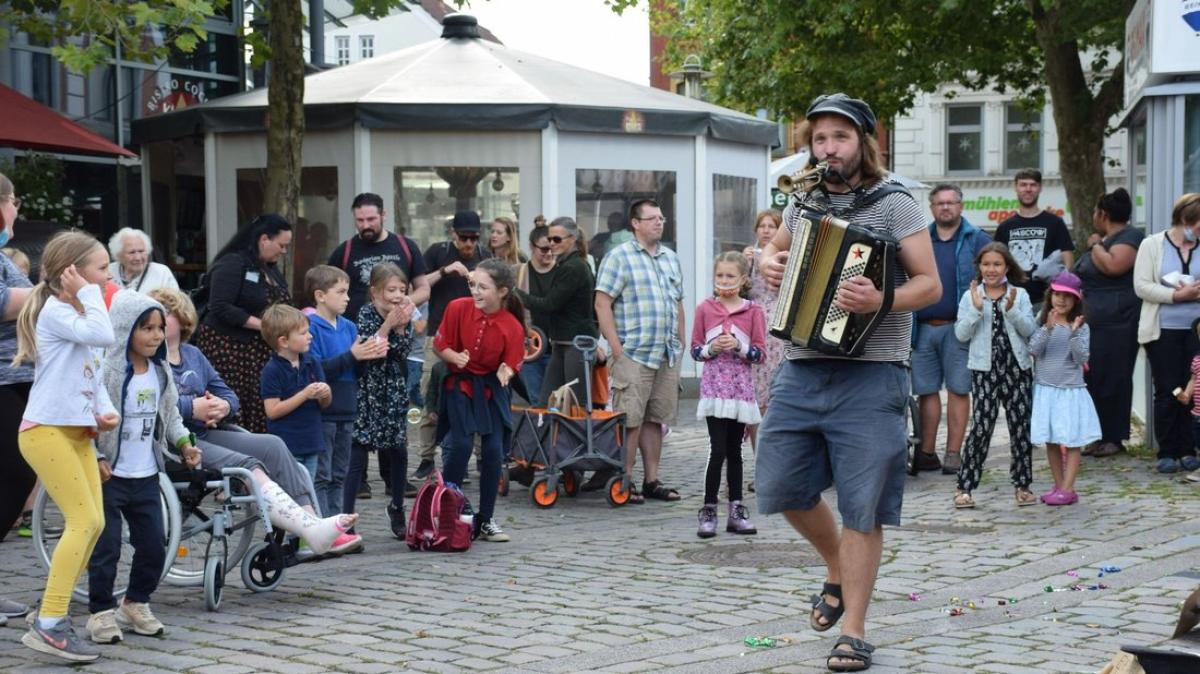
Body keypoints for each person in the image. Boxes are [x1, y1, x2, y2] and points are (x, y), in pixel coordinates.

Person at [755, 93, 940, 672]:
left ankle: (854, 630)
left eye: (839, 137)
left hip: (874, 372)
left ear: (864, 141)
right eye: (819, 139)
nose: (828, 148)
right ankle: (837, 566)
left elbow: (930, 285)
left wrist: (881, 298)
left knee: (864, 506)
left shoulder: (897, 204)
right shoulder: (803, 200)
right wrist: (766, 260)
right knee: (779, 482)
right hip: (805, 364)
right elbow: (772, 254)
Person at [149, 288, 362, 556]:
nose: (157, 321)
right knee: (246, 465)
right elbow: (150, 405)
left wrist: (222, 406)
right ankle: (308, 528)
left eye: (165, 314)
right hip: (173, 443)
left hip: (207, 432)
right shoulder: (149, 363)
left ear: (181, 318)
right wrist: (193, 407)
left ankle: (311, 528)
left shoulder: (193, 355)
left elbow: (229, 395)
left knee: (272, 445)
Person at [13, 231, 116, 662]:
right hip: (45, 431)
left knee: (94, 524)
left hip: (75, 433)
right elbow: (103, 335)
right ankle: (50, 622)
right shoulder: (58, 311)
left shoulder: (72, 312)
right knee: (83, 520)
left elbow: (90, 373)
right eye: (101, 269)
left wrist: (103, 414)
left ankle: (51, 612)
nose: (107, 278)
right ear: (71, 274)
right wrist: (89, 293)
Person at [87, 290, 201, 644]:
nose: (155, 336)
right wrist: (97, 456)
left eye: (158, 328)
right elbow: (84, 418)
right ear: (124, 330)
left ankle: (135, 602)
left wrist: (184, 445)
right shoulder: (106, 373)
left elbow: (171, 418)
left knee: (154, 545)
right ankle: (100, 613)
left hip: (147, 476)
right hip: (109, 476)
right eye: (146, 328)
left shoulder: (160, 372)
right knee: (106, 549)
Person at [595, 199, 686, 505]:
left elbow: (678, 302)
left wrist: (681, 341)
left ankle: (651, 480)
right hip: (632, 352)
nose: (660, 222)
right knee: (630, 419)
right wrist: (616, 349)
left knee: (655, 419)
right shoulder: (618, 258)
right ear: (635, 223)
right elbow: (602, 302)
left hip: (666, 353)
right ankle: (624, 479)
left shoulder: (670, 258)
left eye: (661, 218)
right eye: (652, 218)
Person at [434, 259, 525, 543]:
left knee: (494, 452)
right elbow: (440, 344)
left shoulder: (512, 325)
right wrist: (453, 356)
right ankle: (446, 511)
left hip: (491, 388)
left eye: (483, 287)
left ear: (502, 291)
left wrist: (506, 370)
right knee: (460, 445)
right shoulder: (457, 308)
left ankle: (485, 519)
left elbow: (513, 361)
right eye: (473, 285)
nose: (475, 292)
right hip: (460, 384)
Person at [910, 184, 991, 475]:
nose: (945, 207)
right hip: (921, 327)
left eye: (951, 202)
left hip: (961, 328)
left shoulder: (978, 239)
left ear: (961, 206)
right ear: (931, 207)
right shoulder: (919, 240)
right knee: (926, 391)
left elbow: (993, 277)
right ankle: (926, 453)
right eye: (940, 203)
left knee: (959, 389)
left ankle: (954, 454)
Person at [952, 243, 1038, 509]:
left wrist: (1011, 310)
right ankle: (964, 486)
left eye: (997, 264)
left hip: (1017, 369)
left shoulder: (1019, 294)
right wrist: (977, 309)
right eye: (986, 264)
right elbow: (960, 334)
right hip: (984, 370)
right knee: (981, 427)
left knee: (1020, 428)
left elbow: (1030, 331)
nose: (991, 269)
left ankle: (1023, 486)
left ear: (1007, 267)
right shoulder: (970, 297)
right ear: (979, 266)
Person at [192, 214, 293, 434]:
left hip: (259, 353)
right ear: (264, 239)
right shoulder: (232, 263)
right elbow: (220, 305)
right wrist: (265, 326)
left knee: (259, 406)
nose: (284, 251)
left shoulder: (270, 269)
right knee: (236, 407)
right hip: (230, 351)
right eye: (282, 245)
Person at [303, 265, 387, 517]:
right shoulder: (309, 326)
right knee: (322, 473)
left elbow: (357, 372)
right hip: (324, 412)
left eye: (347, 291)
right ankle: (322, 525)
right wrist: (352, 355)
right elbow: (317, 371)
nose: (347, 297)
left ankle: (338, 524)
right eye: (340, 292)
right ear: (320, 296)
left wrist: (367, 357)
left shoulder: (349, 327)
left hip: (348, 409)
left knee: (340, 473)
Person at [691, 251, 764, 538]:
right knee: (717, 448)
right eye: (720, 275)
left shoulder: (752, 311)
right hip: (714, 389)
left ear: (743, 279)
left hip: (739, 391)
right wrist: (712, 348)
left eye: (730, 276)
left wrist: (738, 345)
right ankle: (708, 510)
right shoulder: (705, 308)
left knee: (735, 451)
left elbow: (759, 353)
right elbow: (695, 349)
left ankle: (736, 510)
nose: (724, 280)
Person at [414, 211, 491, 479]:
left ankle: (481, 458)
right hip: (438, 336)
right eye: (463, 237)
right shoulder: (438, 251)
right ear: (453, 234)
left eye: (473, 238)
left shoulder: (485, 256)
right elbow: (420, 284)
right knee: (431, 397)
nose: (468, 244)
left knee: (480, 397)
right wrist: (446, 270)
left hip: (475, 339)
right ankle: (426, 459)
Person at [344, 263, 415, 539]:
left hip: (392, 389)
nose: (397, 296)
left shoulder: (405, 317)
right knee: (357, 452)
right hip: (366, 389)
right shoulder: (364, 314)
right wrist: (388, 325)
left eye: (402, 289)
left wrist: (400, 329)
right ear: (375, 292)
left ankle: (397, 506)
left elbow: (400, 353)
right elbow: (372, 350)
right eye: (391, 290)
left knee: (398, 449)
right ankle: (346, 516)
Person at [1134, 193, 1200, 474]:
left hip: (1195, 329)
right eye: (1197, 226)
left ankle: (1188, 449)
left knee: (1194, 388)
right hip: (1163, 328)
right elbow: (1141, 286)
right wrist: (1177, 296)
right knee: (1167, 388)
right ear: (1185, 220)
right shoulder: (1152, 244)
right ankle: (1167, 450)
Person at [1076, 188, 1142, 458]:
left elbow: (1114, 266)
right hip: (1095, 319)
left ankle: (1114, 436)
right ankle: (1098, 434)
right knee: (1094, 376)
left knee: (1114, 376)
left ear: (1103, 214)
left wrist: (1094, 245)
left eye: (1095, 211)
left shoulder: (1130, 237)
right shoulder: (1106, 239)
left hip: (1118, 320)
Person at [1028, 272, 1099, 506]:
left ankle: (1068, 488)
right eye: (1057, 294)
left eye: (1067, 296)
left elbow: (1081, 357)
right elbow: (1034, 350)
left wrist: (1073, 333)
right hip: (1046, 389)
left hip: (1070, 390)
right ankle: (1059, 485)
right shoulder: (1043, 320)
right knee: (1050, 439)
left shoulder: (1080, 327)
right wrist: (1047, 328)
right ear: (1051, 295)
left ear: (1076, 300)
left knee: (1072, 439)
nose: (1061, 300)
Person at [514, 217, 597, 406]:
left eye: (557, 240)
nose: (551, 244)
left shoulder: (574, 267)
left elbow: (549, 304)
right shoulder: (568, 265)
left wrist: (515, 293)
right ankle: (553, 435)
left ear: (573, 239)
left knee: (575, 405)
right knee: (547, 403)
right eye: (550, 239)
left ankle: (574, 436)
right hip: (562, 342)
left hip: (575, 343)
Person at [0, 175, 35, 622]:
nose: (16, 211)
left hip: (17, 375)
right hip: (2, 380)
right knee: (17, 470)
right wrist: (49, 293)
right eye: (13, 201)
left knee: (15, 474)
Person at [328, 192, 429, 321]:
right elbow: (328, 291)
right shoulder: (344, 251)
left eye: (371, 219)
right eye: (360, 220)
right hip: (355, 332)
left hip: (397, 330)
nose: (365, 226)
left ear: (383, 216)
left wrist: (404, 301)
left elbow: (424, 288)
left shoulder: (406, 246)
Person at [259, 304, 331, 485]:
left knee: (308, 489)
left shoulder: (312, 362)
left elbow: (325, 405)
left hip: (312, 441)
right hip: (286, 446)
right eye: (303, 333)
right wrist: (304, 394)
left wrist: (326, 393)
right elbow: (272, 410)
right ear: (283, 341)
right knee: (291, 491)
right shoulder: (272, 370)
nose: (310, 336)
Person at [993, 169, 1075, 309]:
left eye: (1033, 185)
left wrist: (1062, 292)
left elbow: (1067, 258)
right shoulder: (1005, 227)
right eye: (1023, 185)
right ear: (1016, 187)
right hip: (1012, 300)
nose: (1028, 189)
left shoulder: (1055, 223)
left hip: (1046, 302)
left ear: (1040, 188)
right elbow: (996, 262)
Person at [743, 209, 784, 483]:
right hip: (755, 331)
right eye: (763, 226)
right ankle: (760, 467)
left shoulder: (783, 259)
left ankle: (778, 467)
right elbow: (736, 288)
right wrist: (744, 264)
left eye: (772, 226)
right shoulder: (749, 258)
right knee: (756, 406)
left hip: (779, 335)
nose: (767, 230)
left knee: (776, 404)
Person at [517, 225, 555, 406]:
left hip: (558, 351)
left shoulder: (563, 272)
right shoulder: (518, 272)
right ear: (532, 247)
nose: (549, 253)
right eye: (544, 249)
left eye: (552, 248)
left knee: (559, 404)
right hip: (530, 351)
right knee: (537, 403)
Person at [106, 228, 179, 294]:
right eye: (132, 252)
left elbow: (175, 304)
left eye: (141, 251)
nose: (138, 258)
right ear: (119, 255)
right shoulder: (108, 272)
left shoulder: (162, 273)